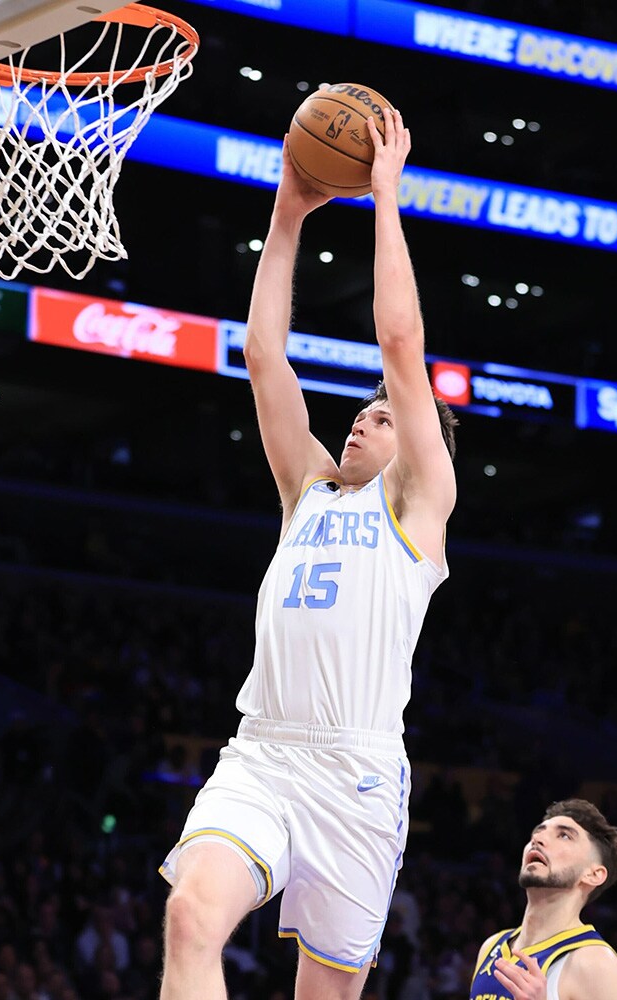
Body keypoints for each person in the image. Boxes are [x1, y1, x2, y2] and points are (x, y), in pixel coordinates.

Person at [158, 106, 458, 1000]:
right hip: (263, 752)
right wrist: (288, 212)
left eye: (383, 417)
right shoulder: (309, 491)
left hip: (356, 774)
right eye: (360, 413)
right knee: (189, 917)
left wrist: (385, 196)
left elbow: (400, 344)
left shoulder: (419, 505)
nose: (362, 421)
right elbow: (263, 357)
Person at [469, 798, 617, 1000]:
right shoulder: (491, 946)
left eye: (564, 836)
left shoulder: (596, 964)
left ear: (593, 874)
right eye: (538, 832)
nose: (537, 839)